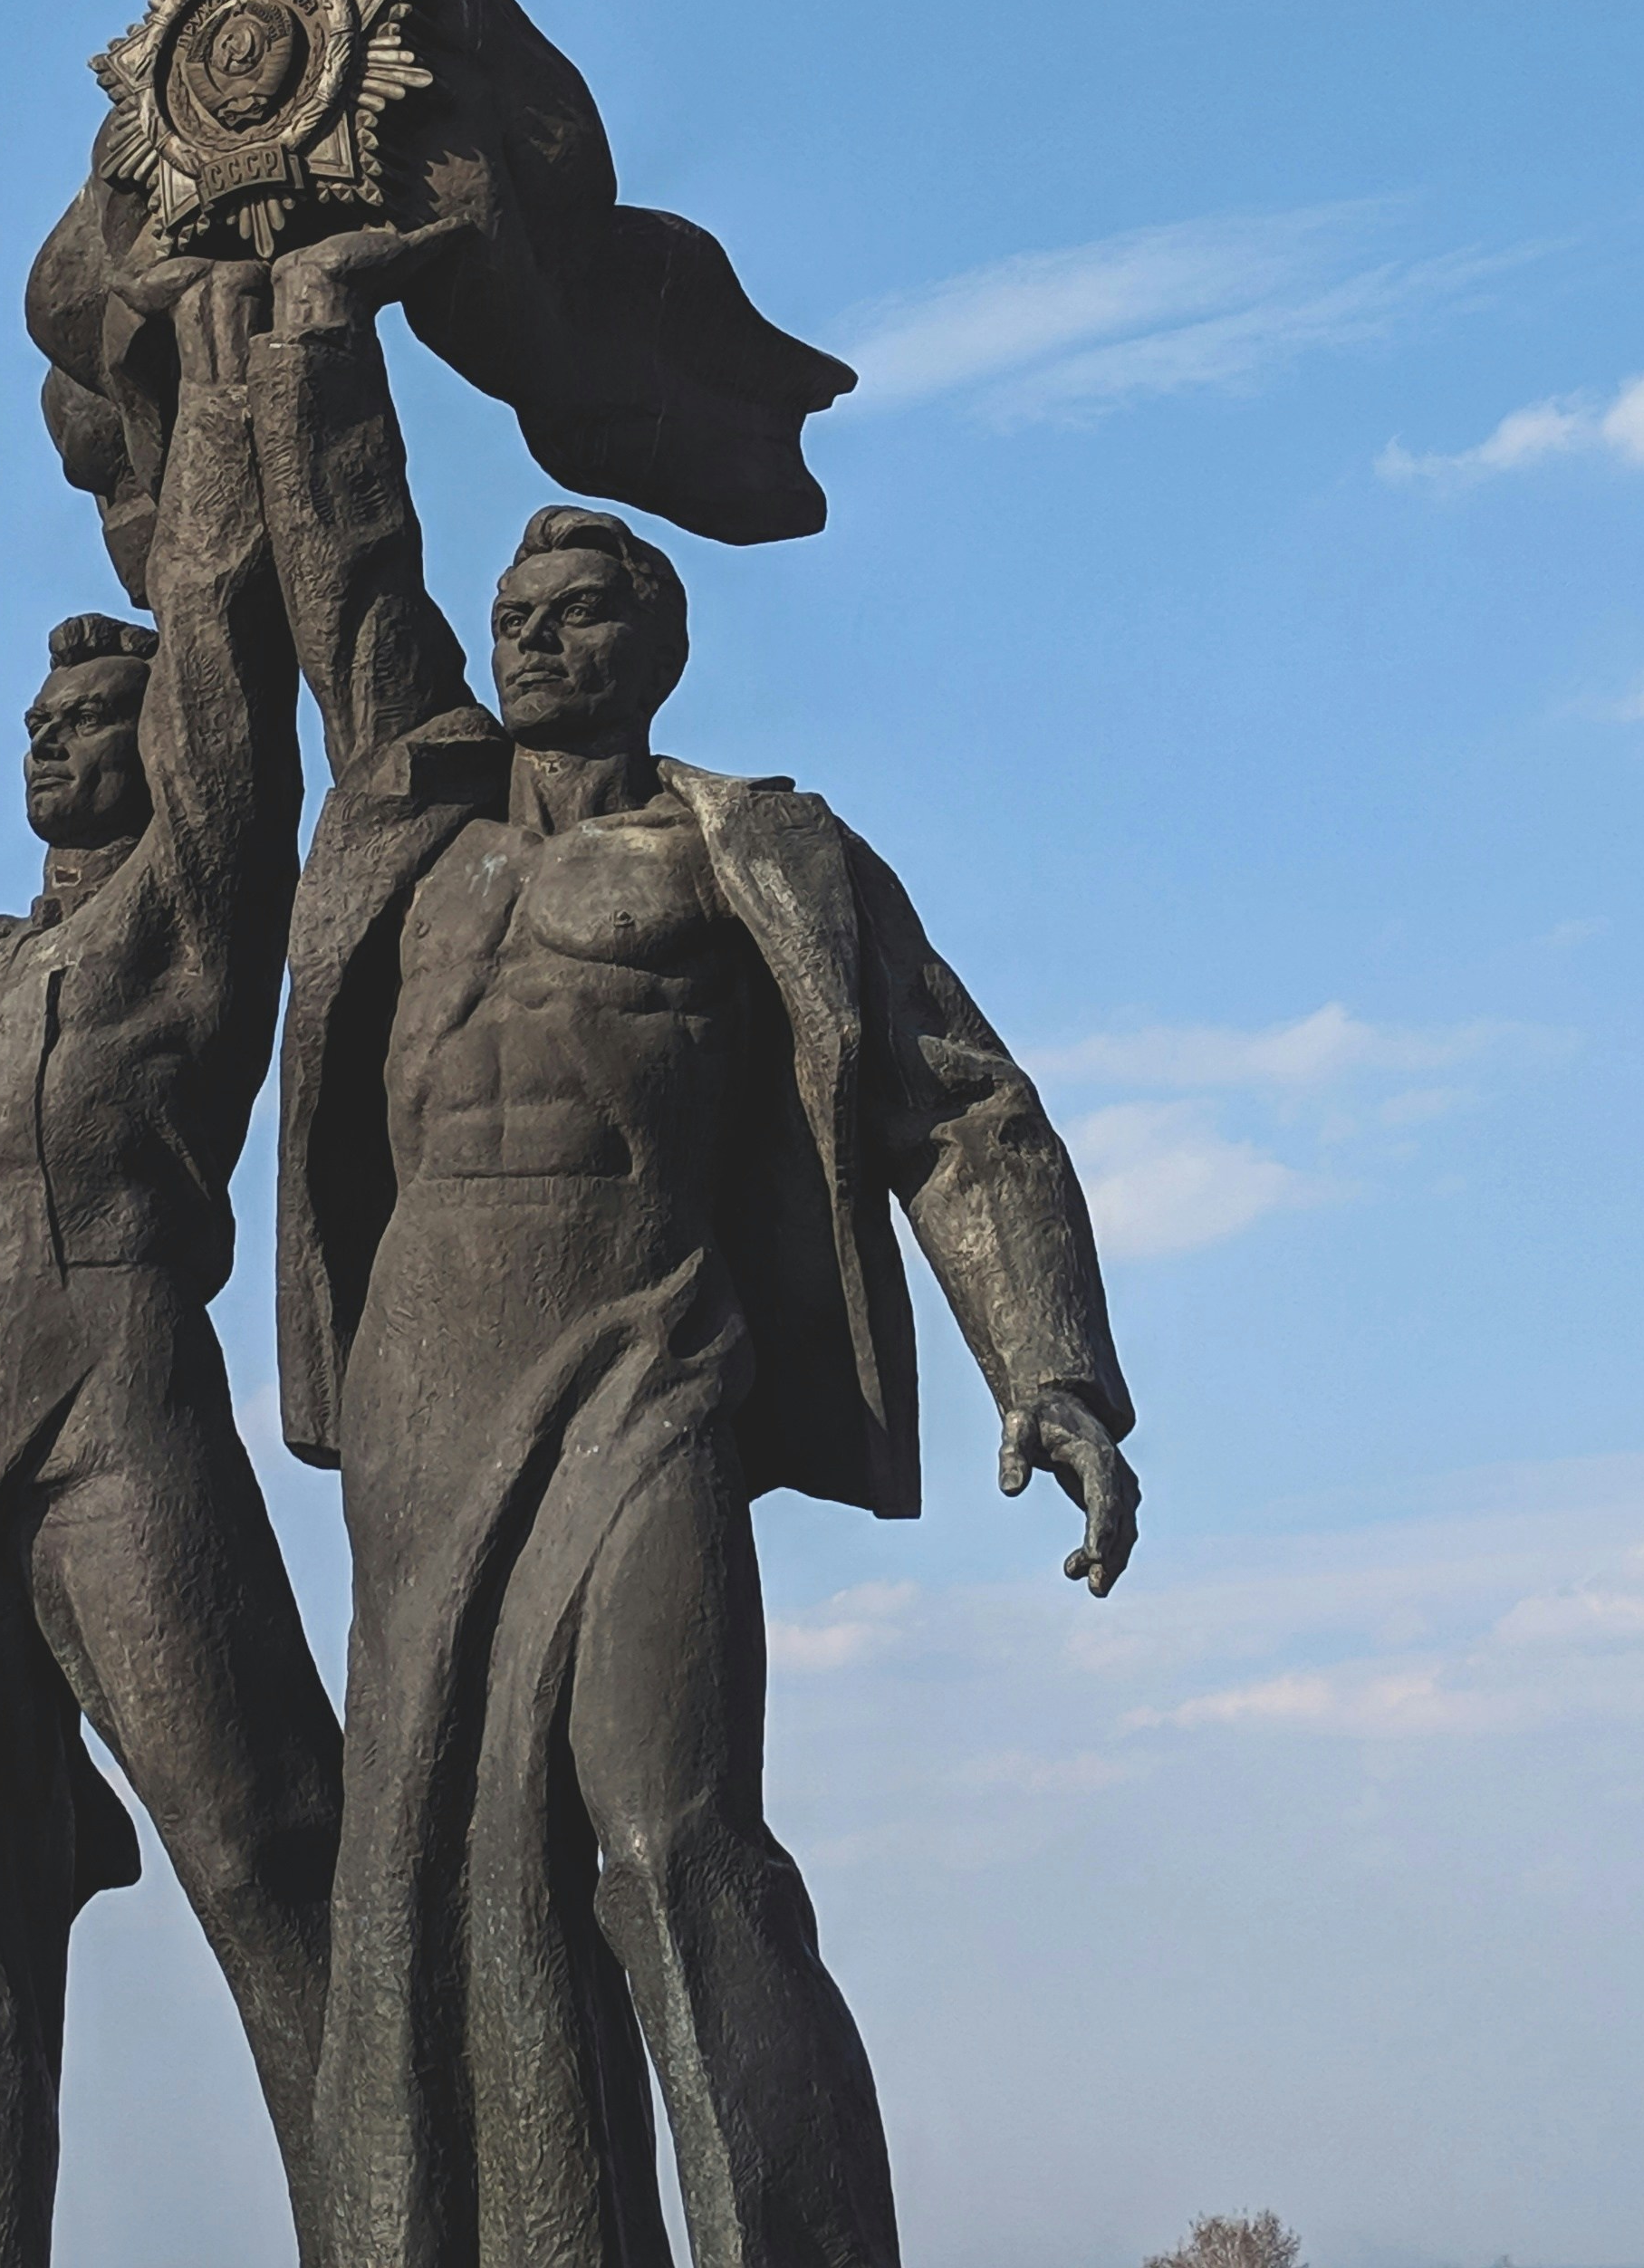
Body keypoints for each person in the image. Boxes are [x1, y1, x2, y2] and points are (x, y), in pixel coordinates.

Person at [244, 224, 1139, 2268]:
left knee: (667, 1832)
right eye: (515, 616)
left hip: (644, 1358)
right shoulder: (415, 815)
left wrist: (1053, 1371)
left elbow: (957, 1104)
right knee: (438, 1867)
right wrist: (320, 325)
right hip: (420, 1389)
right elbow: (349, 565)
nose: (535, 641)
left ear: (657, 644)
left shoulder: (758, 852)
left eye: (579, 613)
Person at [0, 264, 340, 2268]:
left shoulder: (184, 927)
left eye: (87, 722)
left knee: (267, 1855)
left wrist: (219, 410)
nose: (47, 742)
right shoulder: (0, 971)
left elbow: (226, 683)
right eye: (32, 724)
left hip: (117, 1410)